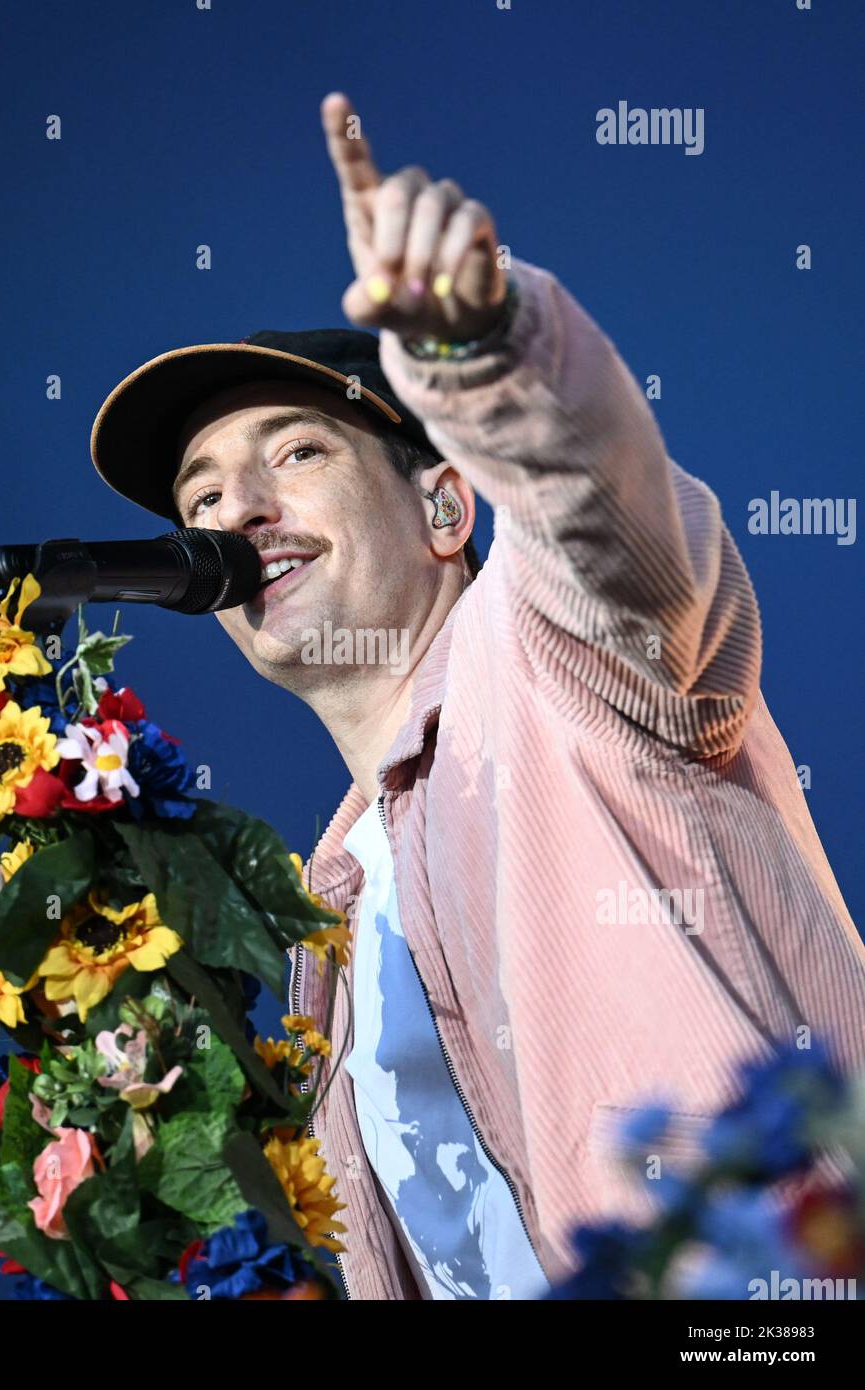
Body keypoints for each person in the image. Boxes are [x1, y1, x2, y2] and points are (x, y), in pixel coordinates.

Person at [88, 92, 865, 1300]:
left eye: (295, 453)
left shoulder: (547, 651)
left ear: (448, 508)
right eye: (201, 497)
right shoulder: (319, 925)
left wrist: (478, 354)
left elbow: (608, 529)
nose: (235, 513)